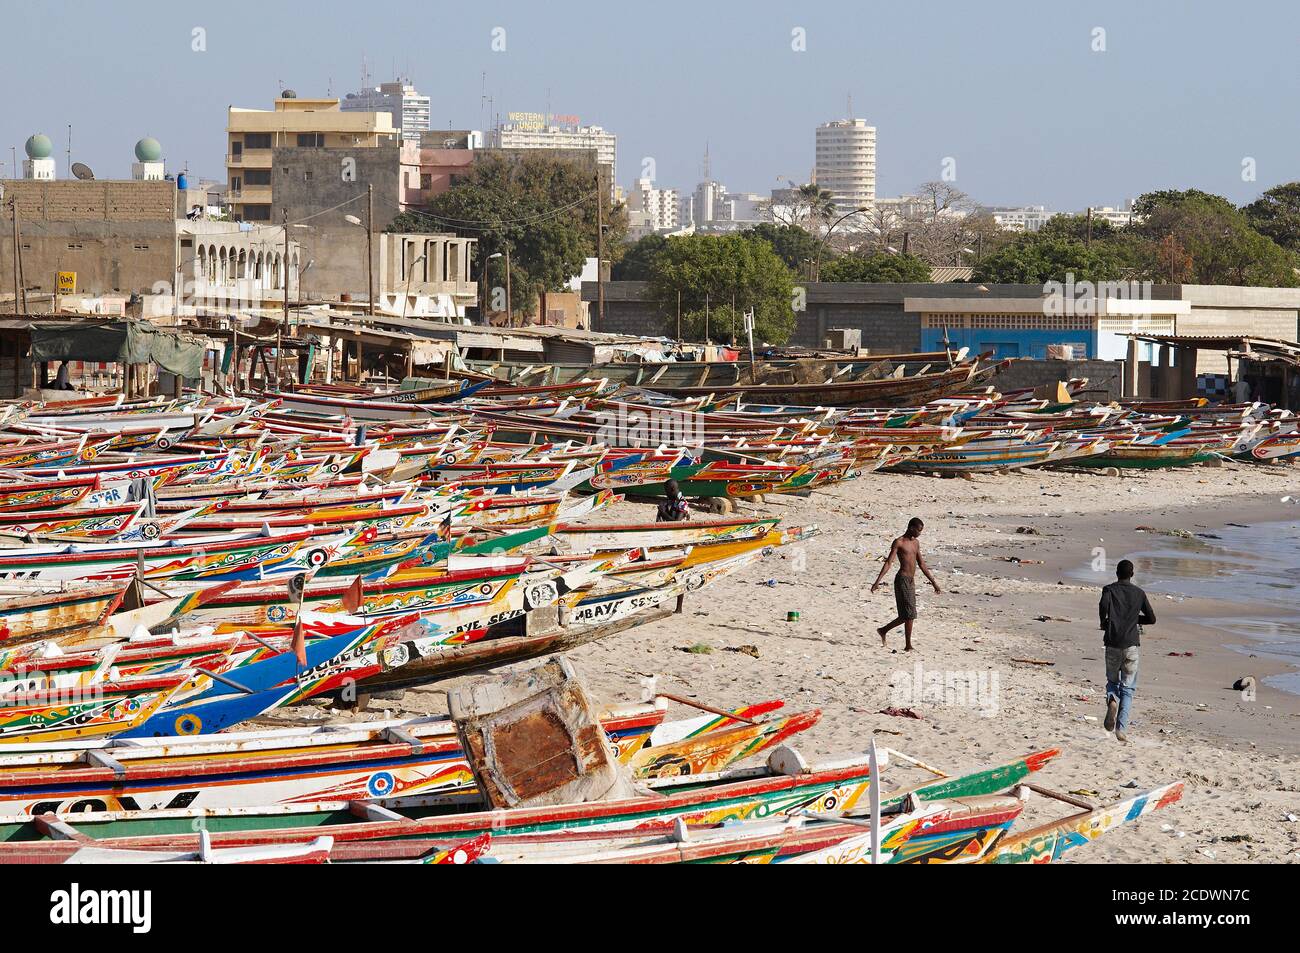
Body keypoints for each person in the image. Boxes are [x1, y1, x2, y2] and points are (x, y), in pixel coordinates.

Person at [1098, 559, 1156, 743]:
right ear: (1132, 575)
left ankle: (1112, 700)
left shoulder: (1109, 590)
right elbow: (1152, 618)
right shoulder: (1139, 593)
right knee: (1128, 688)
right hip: (1131, 645)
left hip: (1112, 643)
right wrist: (1133, 620)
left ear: (1116, 573)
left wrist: (1104, 622)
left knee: (1112, 680)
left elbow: (1103, 606)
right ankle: (1121, 729)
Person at [871, 517, 940, 651]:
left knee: (907, 615)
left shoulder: (916, 543)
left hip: (911, 581)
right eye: (919, 530)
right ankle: (907, 645)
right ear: (911, 528)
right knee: (910, 614)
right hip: (902, 580)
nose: (920, 533)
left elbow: (922, 564)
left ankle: (884, 630)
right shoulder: (899, 542)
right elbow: (889, 562)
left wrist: (933, 582)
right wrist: (877, 581)